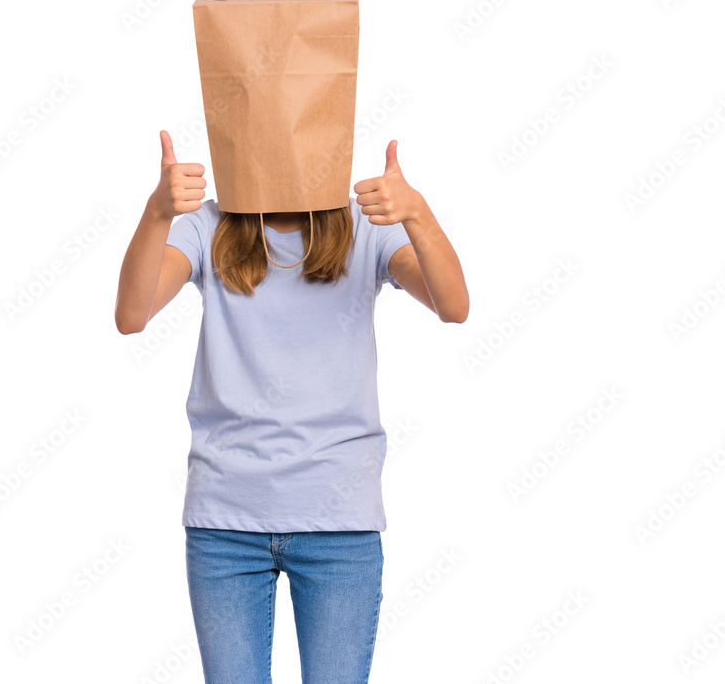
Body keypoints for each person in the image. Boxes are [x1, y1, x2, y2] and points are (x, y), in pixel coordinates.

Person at [115, 129, 469, 683]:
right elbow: (132, 316)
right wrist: (156, 213)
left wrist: (417, 214)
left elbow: (453, 305)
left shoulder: (365, 231)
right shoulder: (206, 226)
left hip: (339, 524)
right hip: (224, 523)